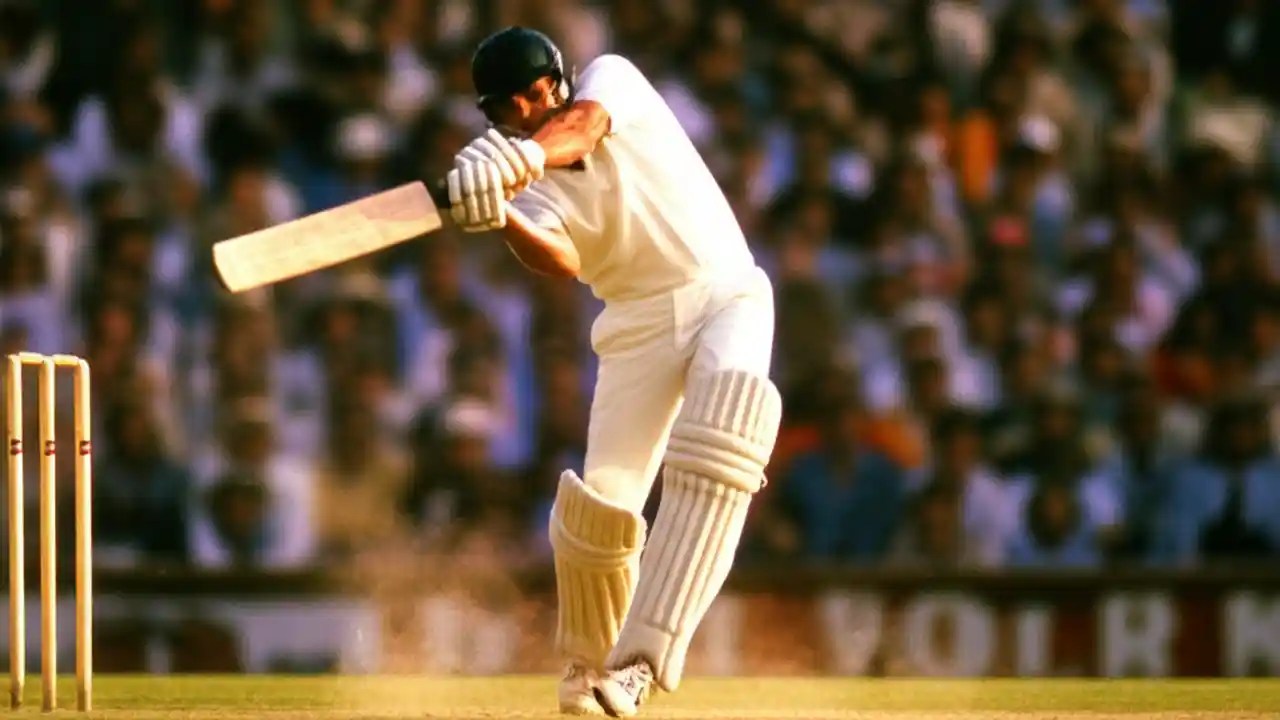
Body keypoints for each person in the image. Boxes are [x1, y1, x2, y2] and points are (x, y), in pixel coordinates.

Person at [444, 27, 781, 717]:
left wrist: (520, 161)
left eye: (544, 91)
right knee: (600, 509)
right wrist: (503, 213)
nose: (538, 107)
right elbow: (561, 260)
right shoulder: (531, 187)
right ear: (497, 112)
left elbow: (586, 126)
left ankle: (639, 670)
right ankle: (589, 669)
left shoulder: (611, 78)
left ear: (560, 80)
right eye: (517, 106)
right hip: (635, 325)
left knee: (723, 438)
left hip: (724, 289)